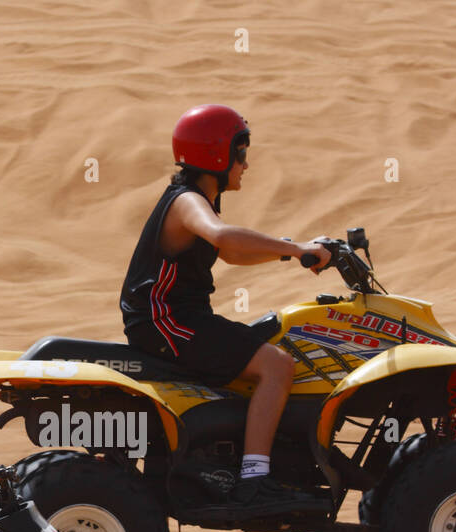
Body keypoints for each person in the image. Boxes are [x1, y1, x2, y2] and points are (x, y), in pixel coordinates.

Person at [120, 104, 331, 511]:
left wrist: (293, 253)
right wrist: (295, 248)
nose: (246, 164)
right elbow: (223, 238)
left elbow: (231, 253)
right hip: (165, 321)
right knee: (277, 365)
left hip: (178, 318)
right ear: (217, 155)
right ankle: (253, 480)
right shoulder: (187, 202)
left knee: (269, 349)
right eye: (241, 153)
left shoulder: (197, 200)